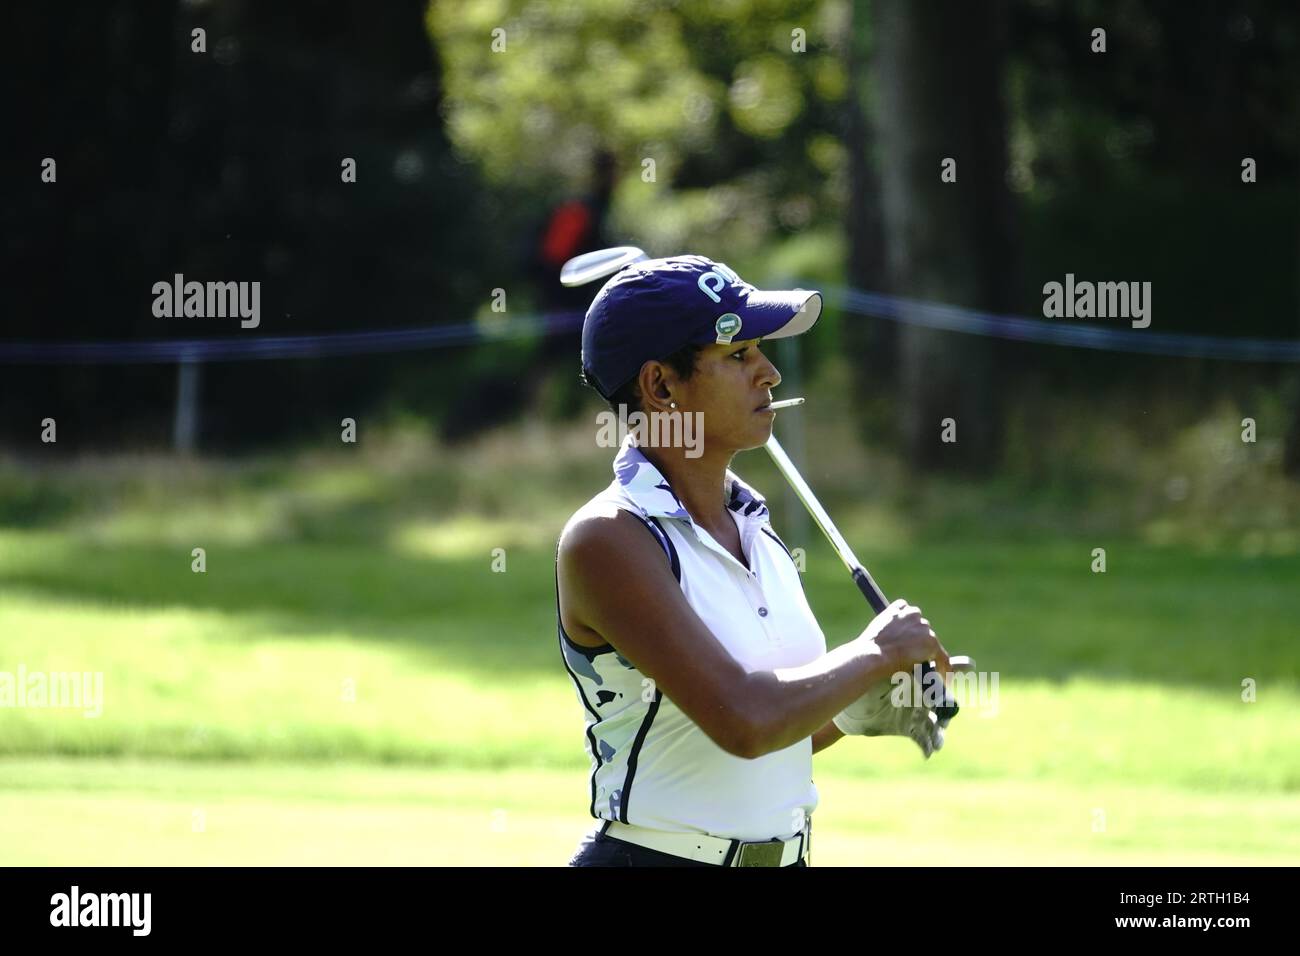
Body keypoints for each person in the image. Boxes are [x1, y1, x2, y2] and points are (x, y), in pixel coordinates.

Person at [556, 255, 952, 867]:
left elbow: (756, 739)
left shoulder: (759, 535)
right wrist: (874, 652)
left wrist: (850, 709)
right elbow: (743, 720)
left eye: (760, 351)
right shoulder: (609, 540)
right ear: (661, 387)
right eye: (738, 355)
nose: (768, 373)